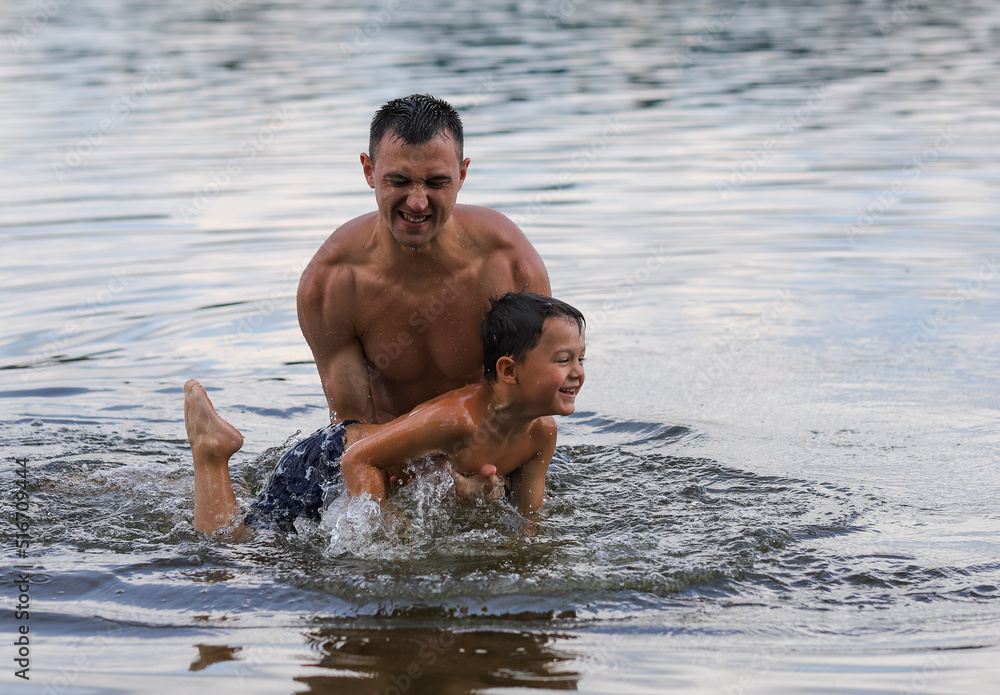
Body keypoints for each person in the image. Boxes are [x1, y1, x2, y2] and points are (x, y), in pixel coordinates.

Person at [185, 292, 585, 538]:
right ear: (509, 371)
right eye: (563, 360)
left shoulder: (541, 434)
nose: (578, 372)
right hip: (329, 458)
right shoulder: (455, 419)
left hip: (369, 463)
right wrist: (379, 526)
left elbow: (528, 523)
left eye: (581, 358)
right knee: (235, 544)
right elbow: (357, 459)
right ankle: (211, 454)